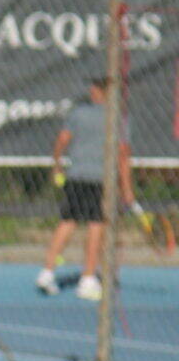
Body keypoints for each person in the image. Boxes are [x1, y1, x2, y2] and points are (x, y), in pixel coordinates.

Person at [37, 77, 137, 300]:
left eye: (93, 89)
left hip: (75, 178)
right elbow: (123, 156)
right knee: (95, 225)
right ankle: (88, 279)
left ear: (98, 91)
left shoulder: (79, 114)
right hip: (99, 181)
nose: (91, 92)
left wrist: (57, 165)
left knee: (67, 222)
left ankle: (47, 272)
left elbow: (62, 140)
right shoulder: (119, 119)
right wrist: (127, 189)